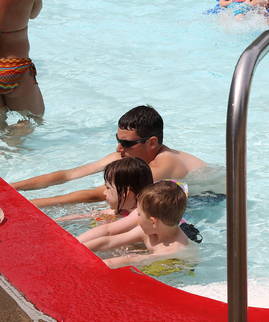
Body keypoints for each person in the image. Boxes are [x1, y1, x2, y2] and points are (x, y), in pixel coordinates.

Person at [10, 105, 206, 204]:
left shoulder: (164, 164)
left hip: (207, 197)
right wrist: (11, 188)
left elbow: (97, 195)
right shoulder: (129, 154)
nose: (119, 149)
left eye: (127, 143)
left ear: (151, 143)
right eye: (118, 140)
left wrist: (30, 204)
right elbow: (68, 175)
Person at [82, 181, 195, 270]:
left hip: (175, 270)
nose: (136, 217)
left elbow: (130, 261)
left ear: (153, 222)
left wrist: (87, 266)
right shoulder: (150, 231)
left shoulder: (174, 250)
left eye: (139, 214)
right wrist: (78, 249)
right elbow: (109, 241)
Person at [54, 157, 152, 223]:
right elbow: (91, 215)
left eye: (108, 188)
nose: (104, 192)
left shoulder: (141, 217)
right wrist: (58, 221)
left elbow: (108, 233)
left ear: (124, 192)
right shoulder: (124, 210)